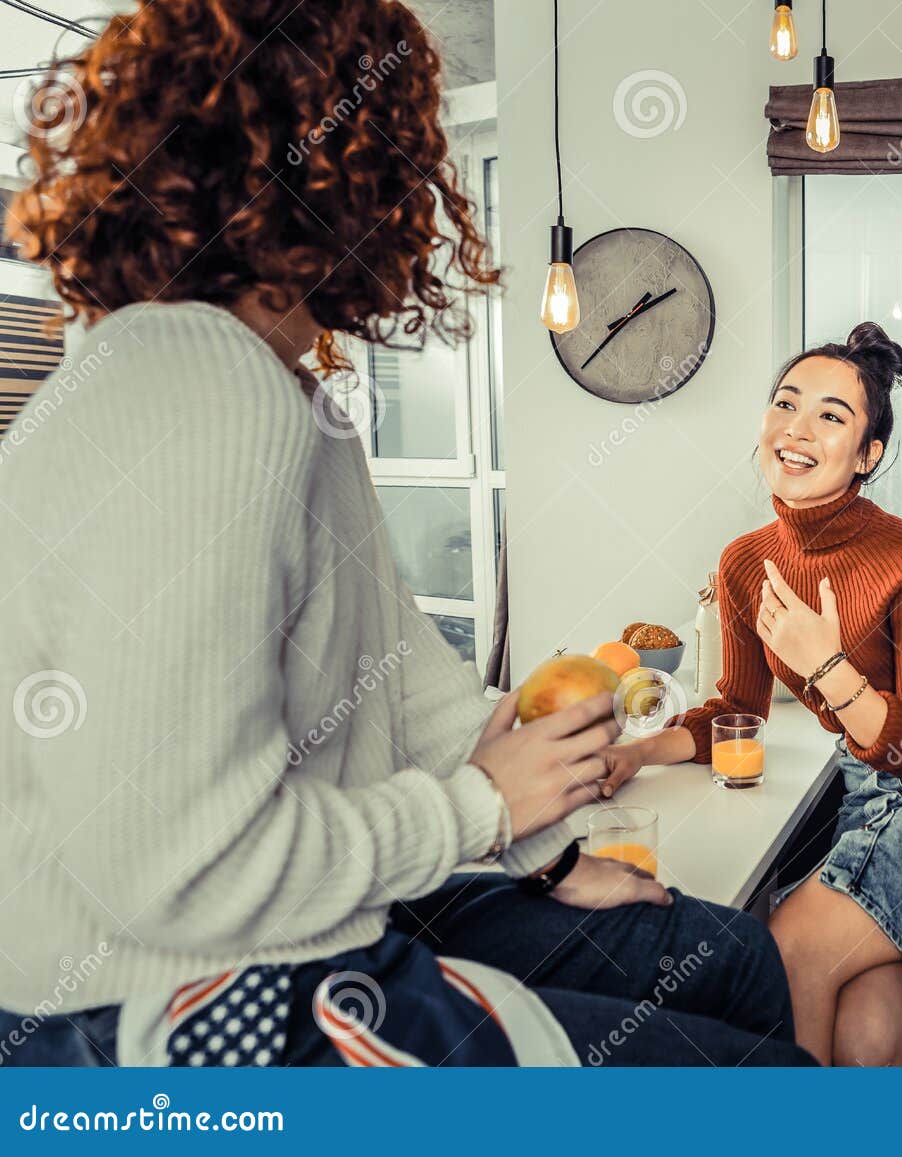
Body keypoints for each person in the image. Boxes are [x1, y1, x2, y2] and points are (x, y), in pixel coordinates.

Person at [0, 0, 808, 1068]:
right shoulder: (198, 377)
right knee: (770, 1079)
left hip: (300, 923)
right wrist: (479, 807)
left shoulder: (288, 398)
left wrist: (550, 855)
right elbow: (173, 861)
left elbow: (415, 695)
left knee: (730, 956)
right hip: (153, 1009)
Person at [598, 322, 902, 1065]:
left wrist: (827, 665)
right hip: (873, 787)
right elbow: (736, 711)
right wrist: (636, 754)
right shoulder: (744, 563)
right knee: (865, 1025)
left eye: (831, 415)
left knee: (789, 947)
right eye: (786, 403)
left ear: (868, 455)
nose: (797, 428)